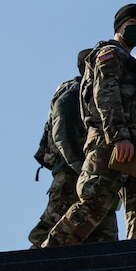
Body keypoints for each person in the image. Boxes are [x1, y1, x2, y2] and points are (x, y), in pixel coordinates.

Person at [43, 4, 136, 246]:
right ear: (120, 26)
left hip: (133, 147)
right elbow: (105, 95)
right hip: (109, 144)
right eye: (134, 23)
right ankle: (48, 254)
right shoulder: (110, 54)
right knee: (93, 206)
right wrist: (119, 137)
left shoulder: (131, 63)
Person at [28, 49, 119, 248]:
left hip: (96, 176)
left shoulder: (98, 95)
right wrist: (82, 170)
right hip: (71, 175)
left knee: (103, 235)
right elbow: (63, 135)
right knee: (51, 231)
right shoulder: (74, 94)